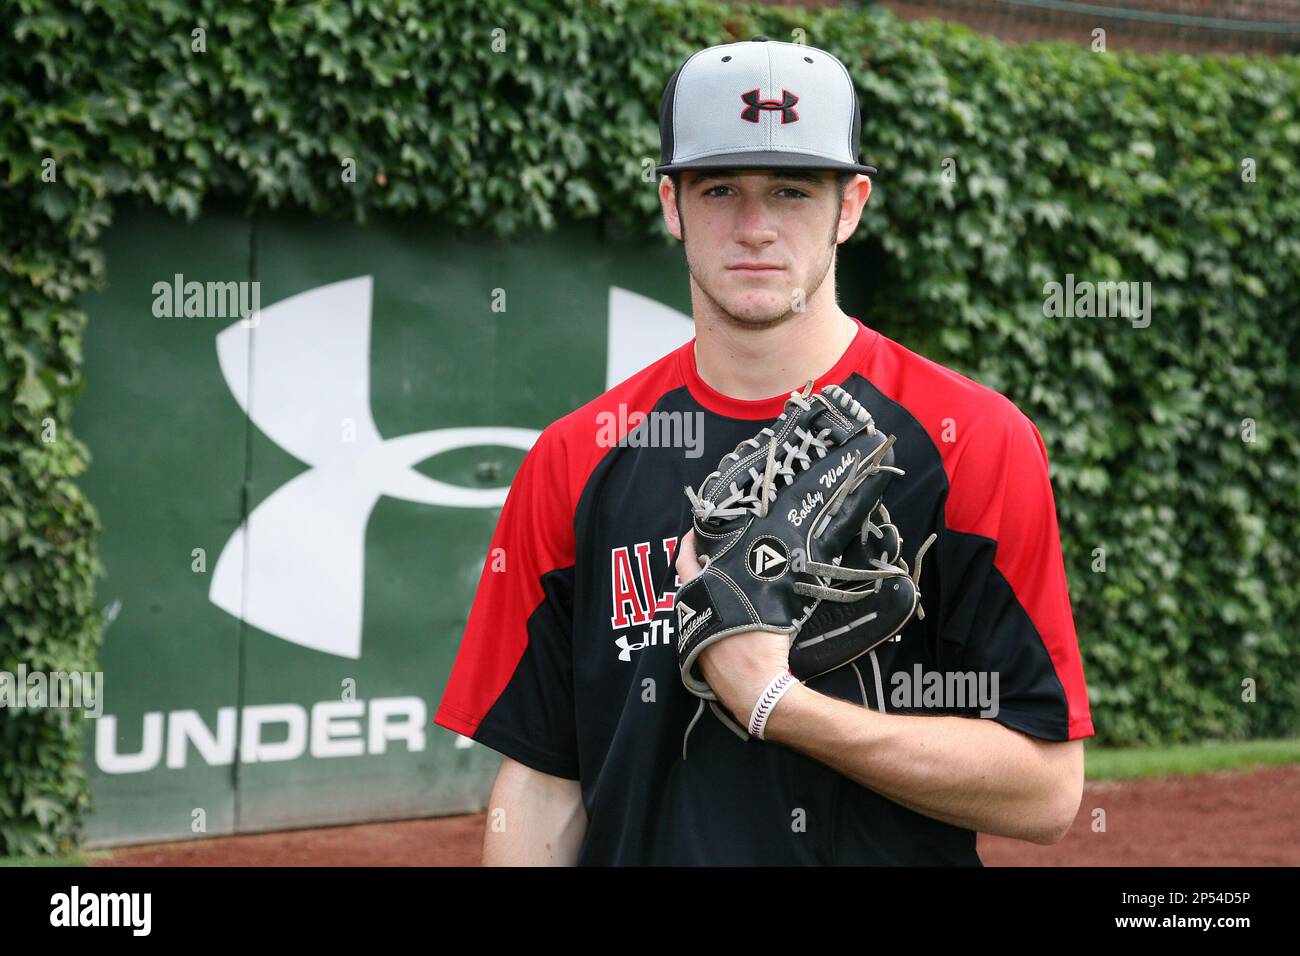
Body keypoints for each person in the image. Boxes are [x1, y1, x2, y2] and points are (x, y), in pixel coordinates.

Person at [434, 36, 1092, 865]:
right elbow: (542, 784)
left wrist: (776, 701)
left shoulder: (973, 442)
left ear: (850, 206)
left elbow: (1045, 789)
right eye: (719, 189)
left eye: (791, 189)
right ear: (671, 204)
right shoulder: (577, 459)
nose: (754, 228)